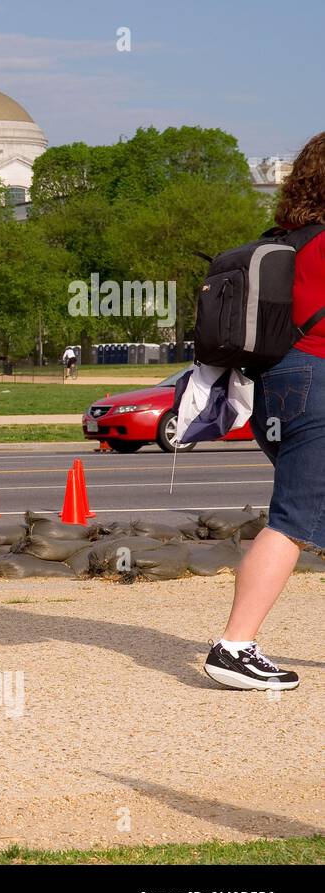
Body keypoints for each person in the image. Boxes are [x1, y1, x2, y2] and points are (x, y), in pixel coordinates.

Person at [207, 131, 325, 691]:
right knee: (293, 519)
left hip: (273, 384)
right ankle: (234, 646)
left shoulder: (282, 241)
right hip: (318, 385)